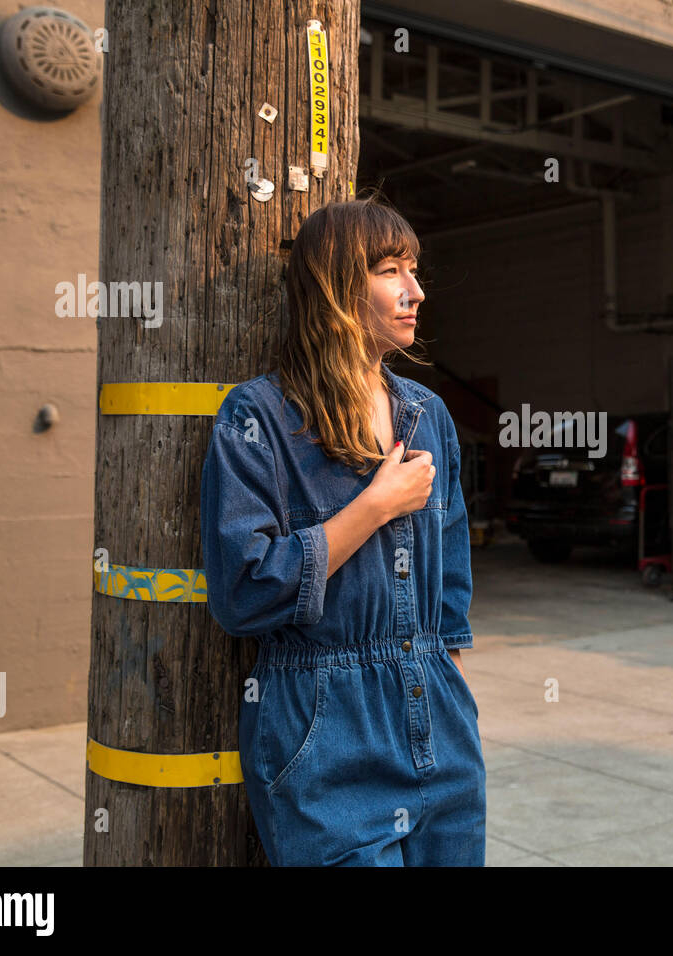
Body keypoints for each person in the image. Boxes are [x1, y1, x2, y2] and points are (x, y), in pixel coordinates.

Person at [199, 195, 485, 866]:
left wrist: (451, 697)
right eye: (390, 270)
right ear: (333, 285)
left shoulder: (428, 414)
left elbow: (451, 582)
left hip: (436, 716)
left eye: (414, 270)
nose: (415, 291)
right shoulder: (259, 415)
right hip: (322, 727)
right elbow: (241, 593)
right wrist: (374, 507)